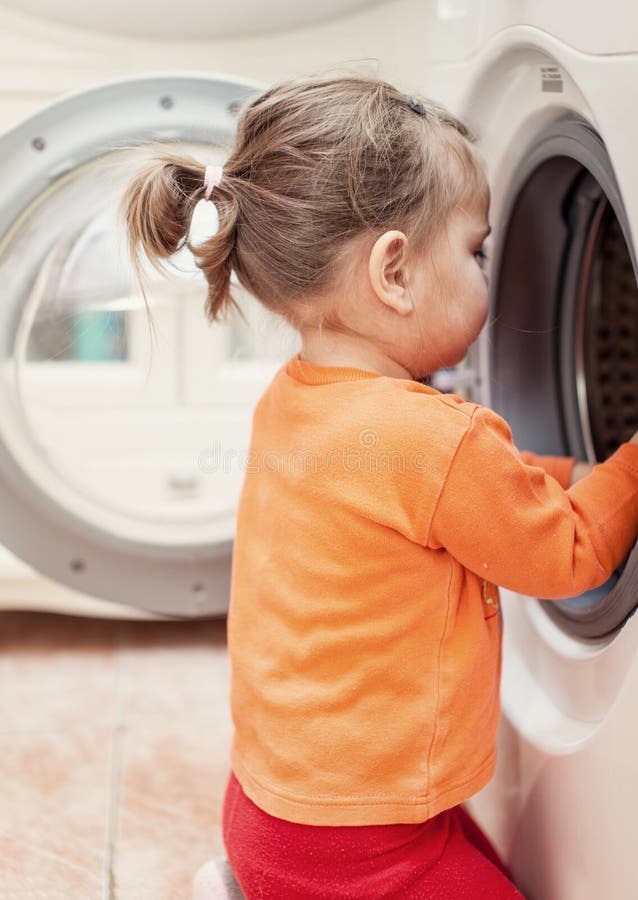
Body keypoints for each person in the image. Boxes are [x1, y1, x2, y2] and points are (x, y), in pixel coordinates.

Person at [121, 75, 638, 899]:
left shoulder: (293, 402)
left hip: (277, 807)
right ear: (393, 272)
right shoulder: (436, 439)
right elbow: (569, 549)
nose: (487, 275)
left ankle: (250, 885)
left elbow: (455, 496)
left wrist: (576, 473)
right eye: (476, 251)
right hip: (358, 848)